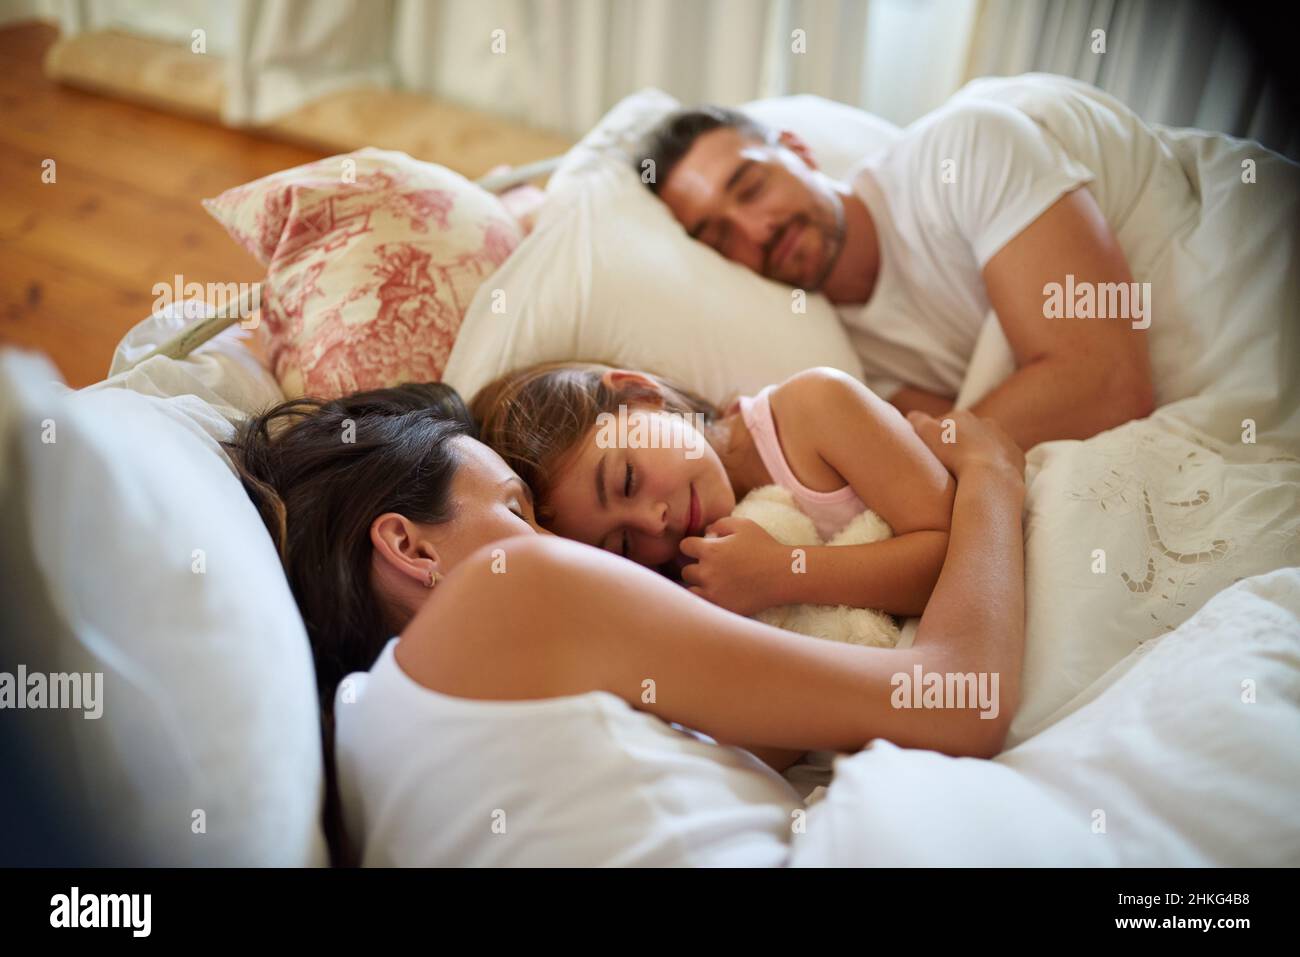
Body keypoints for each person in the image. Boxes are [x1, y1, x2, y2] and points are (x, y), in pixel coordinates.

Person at [226, 380, 1026, 866]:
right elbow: (959, 701)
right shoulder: (514, 591)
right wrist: (991, 478)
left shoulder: (362, 747)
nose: (555, 545)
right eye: (518, 508)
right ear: (407, 543)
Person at [634, 103, 1157, 450]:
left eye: (750, 187)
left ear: (796, 151)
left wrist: (934, 444)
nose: (757, 229)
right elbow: (968, 452)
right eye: (719, 236)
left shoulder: (963, 151)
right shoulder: (836, 359)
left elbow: (1105, 381)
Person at [472, 361, 954, 618]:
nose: (651, 524)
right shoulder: (694, 579)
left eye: (627, 481)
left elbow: (959, 551)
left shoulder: (813, 408)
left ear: (638, 393)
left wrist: (782, 573)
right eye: (621, 544)